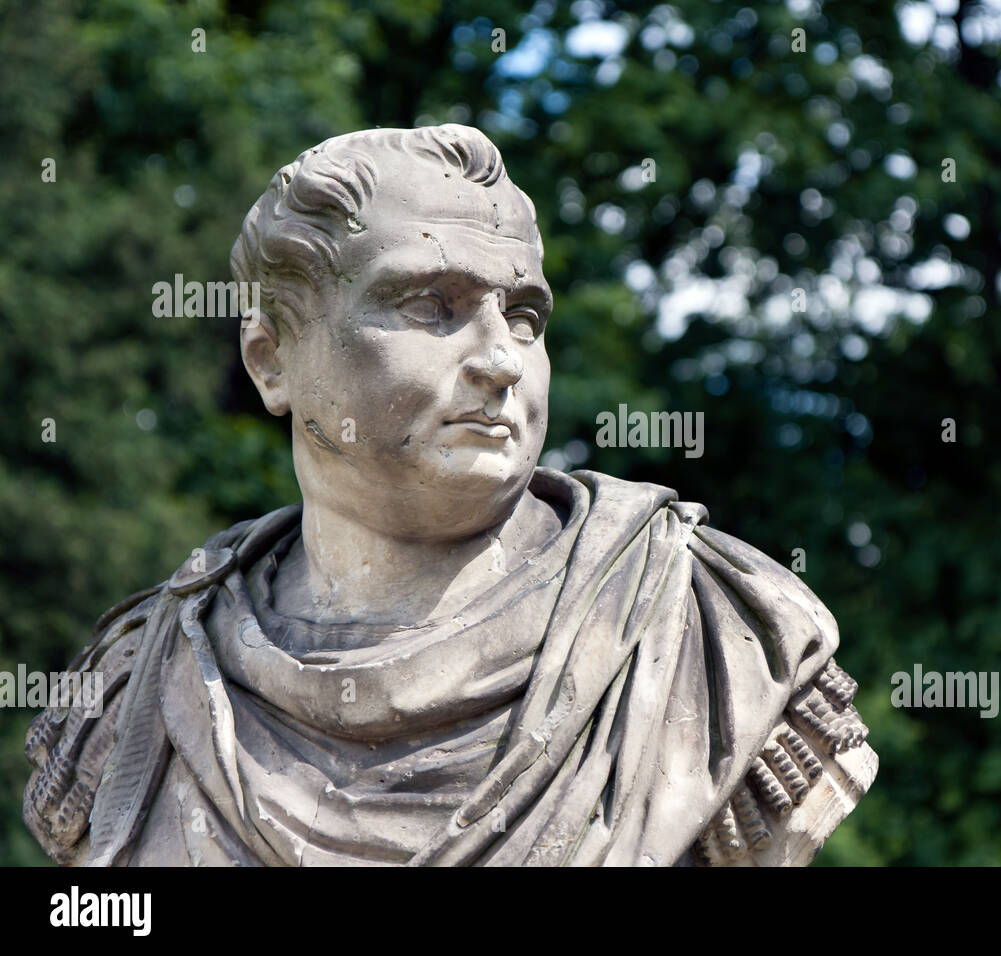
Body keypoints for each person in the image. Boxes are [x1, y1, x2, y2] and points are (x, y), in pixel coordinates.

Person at [25, 125, 875, 866]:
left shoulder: (711, 637)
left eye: (525, 317)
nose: (501, 360)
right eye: (432, 306)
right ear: (271, 360)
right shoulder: (137, 690)